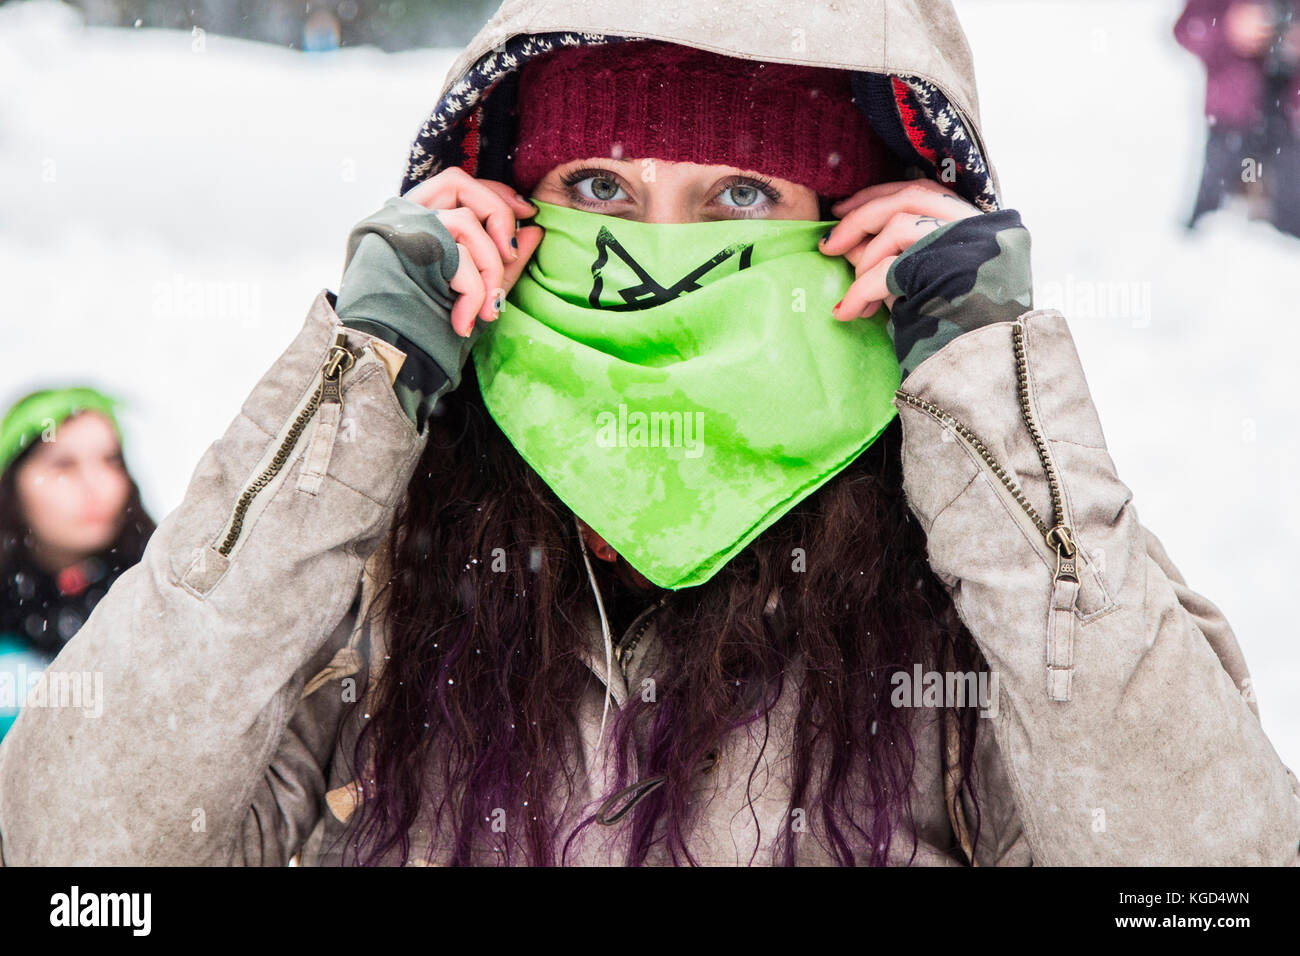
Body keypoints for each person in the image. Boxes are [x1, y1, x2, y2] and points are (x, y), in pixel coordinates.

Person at [2, 0, 1297, 868]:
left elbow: (1207, 879)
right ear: (505, 213)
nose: (664, 256)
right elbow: (71, 859)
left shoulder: (977, 610)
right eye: (601, 190)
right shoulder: (374, 583)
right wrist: (359, 374)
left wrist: (991, 402)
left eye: (740, 196)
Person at [0, 387, 156, 740]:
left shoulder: (165, 598)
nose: (94, 484)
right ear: (13, 484)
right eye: (63, 464)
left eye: (111, 460)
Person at [1176, 0, 1300, 236]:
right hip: (1232, 124)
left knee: (1290, 230)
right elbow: (1187, 28)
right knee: (1209, 225)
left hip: (1291, 125)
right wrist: (1229, 27)